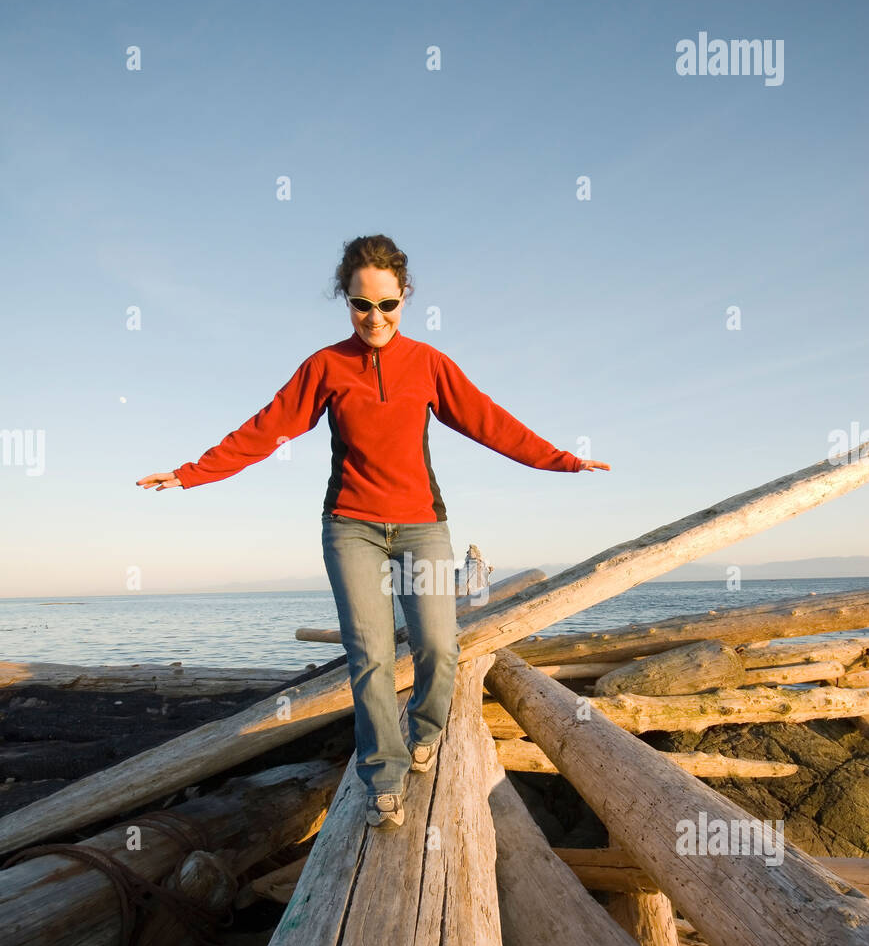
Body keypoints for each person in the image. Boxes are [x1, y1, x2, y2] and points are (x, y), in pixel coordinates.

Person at [138, 234, 609, 829]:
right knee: (371, 656)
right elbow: (266, 429)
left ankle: (427, 730)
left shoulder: (430, 364)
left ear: (404, 299)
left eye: (387, 304)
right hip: (350, 526)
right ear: (347, 301)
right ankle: (382, 777)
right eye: (362, 304)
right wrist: (190, 474)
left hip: (422, 527)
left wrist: (562, 459)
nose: (375, 317)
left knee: (439, 645)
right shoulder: (326, 366)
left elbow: (491, 423)